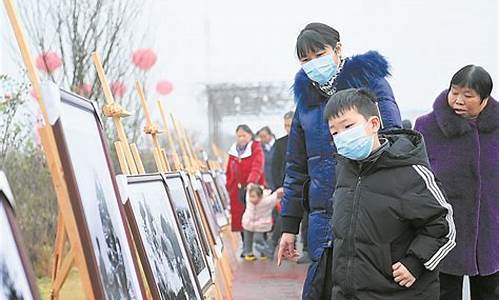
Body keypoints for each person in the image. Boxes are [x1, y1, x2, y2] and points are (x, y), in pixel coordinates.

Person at [278, 22, 402, 299]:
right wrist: (289, 226)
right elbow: (296, 168)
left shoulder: (371, 84)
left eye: (319, 54)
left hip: (370, 213)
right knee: (321, 288)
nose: (313, 64)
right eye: (305, 60)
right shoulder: (305, 104)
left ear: (337, 49)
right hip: (323, 218)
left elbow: (395, 142)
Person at [325, 88, 455, 299]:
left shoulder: (409, 171)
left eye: (348, 126)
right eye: (335, 132)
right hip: (349, 291)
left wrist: (415, 263)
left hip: (398, 292)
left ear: (373, 124)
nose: (342, 136)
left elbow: (443, 226)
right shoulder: (344, 170)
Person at [414, 65, 498, 300]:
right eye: (455, 92)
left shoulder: (497, 129)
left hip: (489, 229)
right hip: (444, 229)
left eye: (468, 95)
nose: (458, 100)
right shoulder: (426, 126)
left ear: (484, 100)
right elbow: (416, 178)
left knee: (489, 291)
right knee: (444, 292)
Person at [257, 111, 294, 259]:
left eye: (290, 125)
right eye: (286, 125)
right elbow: (274, 167)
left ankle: (300, 249)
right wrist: (278, 186)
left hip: (305, 184)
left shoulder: (307, 141)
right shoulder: (280, 143)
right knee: (286, 214)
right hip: (286, 186)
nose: (288, 128)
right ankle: (275, 245)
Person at [225, 125, 266, 240]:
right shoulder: (233, 151)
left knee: (256, 218)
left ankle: (259, 245)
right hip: (237, 190)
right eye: (239, 136)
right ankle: (246, 246)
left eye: (244, 135)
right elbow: (228, 170)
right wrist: (229, 185)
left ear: (250, 135)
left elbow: (257, 166)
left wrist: (251, 182)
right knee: (241, 219)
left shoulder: (256, 148)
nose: (241, 138)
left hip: (253, 188)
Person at [242, 185, 284, 261]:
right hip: (247, 223)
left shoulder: (266, 201)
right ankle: (248, 253)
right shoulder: (248, 199)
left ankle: (264, 252)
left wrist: (278, 192)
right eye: (251, 196)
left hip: (261, 225)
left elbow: (274, 197)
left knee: (259, 239)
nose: (252, 199)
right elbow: (248, 189)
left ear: (260, 196)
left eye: (254, 196)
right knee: (247, 239)